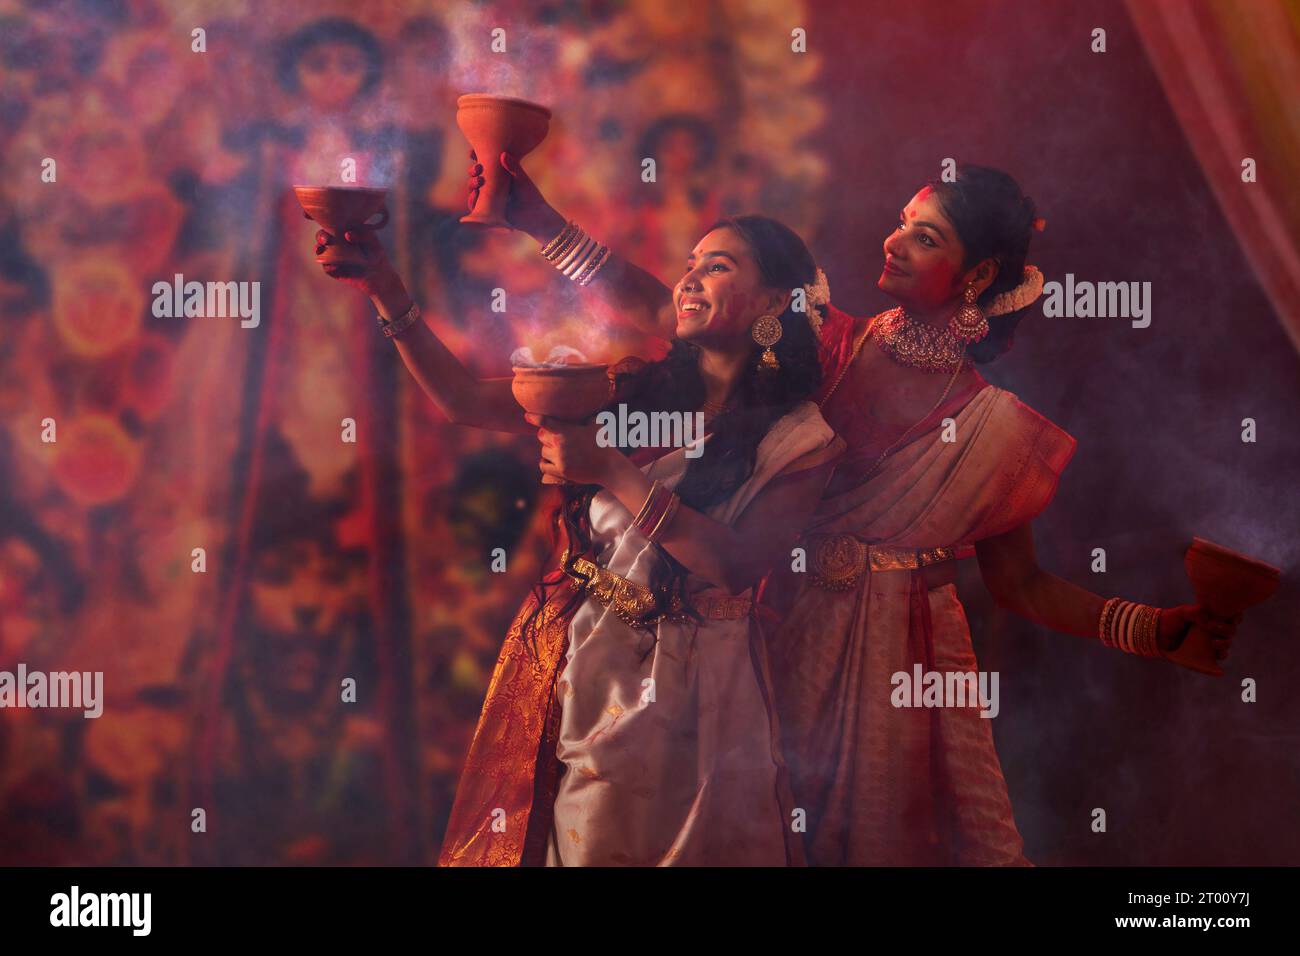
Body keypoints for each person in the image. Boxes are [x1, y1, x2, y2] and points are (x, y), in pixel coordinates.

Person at [468, 153, 1242, 865]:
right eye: (903, 222)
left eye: (926, 236)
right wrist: (538, 222)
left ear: (978, 276)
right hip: (764, 627)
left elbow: (1023, 586)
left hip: (898, 670)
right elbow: (663, 309)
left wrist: (1151, 629)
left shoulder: (993, 429)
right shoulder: (831, 345)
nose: (895, 241)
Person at [313, 210, 845, 865]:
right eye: (690, 264)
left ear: (771, 303)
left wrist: (611, 471)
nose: (690, 279)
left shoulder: (801, 439)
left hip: (713, 687)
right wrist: (386, 290)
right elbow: (464, 401)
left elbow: (732, 565)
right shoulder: (629, 390)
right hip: (593, 662)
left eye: (718, 266)